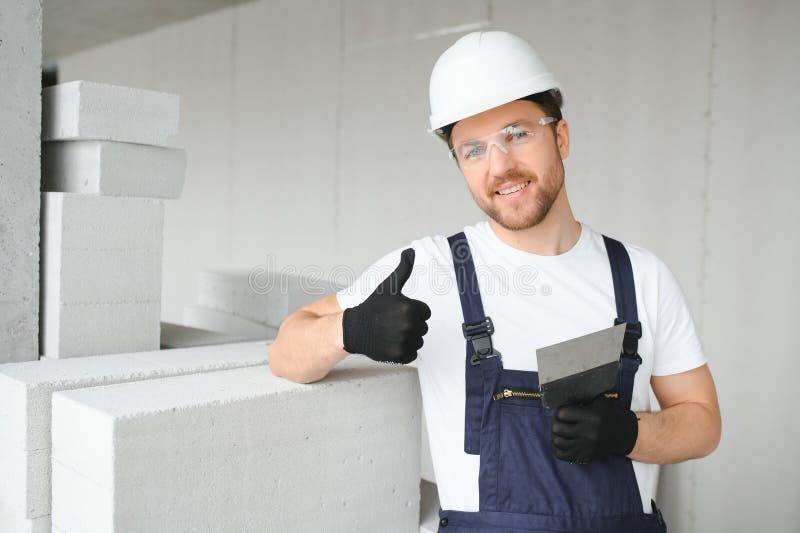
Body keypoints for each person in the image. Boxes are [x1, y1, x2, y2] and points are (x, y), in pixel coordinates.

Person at [269, 31, 721, 532]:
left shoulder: (641, 277)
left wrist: (630, 432)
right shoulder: (430, 268)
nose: (500, 166)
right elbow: (286, 350)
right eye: (474, 150)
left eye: (517, 134)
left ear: (561, 137)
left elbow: (702, 423)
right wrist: (349, 329)